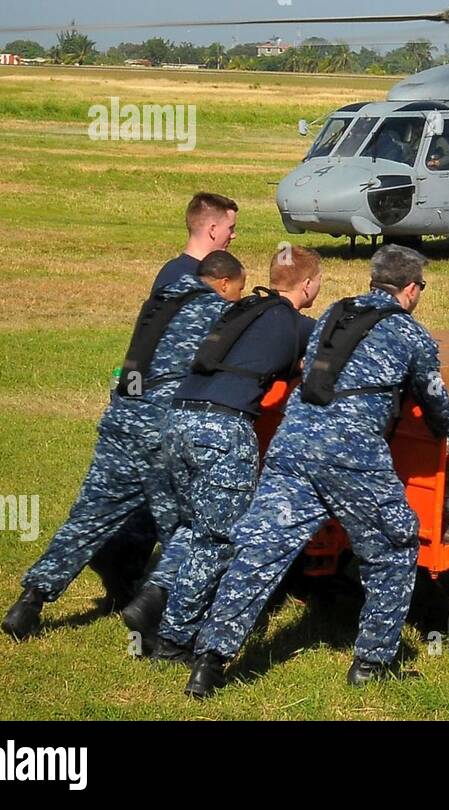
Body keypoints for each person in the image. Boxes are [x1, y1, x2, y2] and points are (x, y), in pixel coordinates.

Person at [183, 244, 449, 697]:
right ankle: (372, 662)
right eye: (420, 288)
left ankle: (208, 662)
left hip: (293, 445)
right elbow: (435, 403)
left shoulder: (333, 314)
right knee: (395, 543)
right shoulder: (412, 335)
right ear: (410, 289)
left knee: (260, 551)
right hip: (353, 456)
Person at [1, 251, 246, 641]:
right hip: (159, 427)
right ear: (223, 282)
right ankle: (155, 610)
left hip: (121, 417)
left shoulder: (160, 300)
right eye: (237, 289)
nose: (235, 297)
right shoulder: (213, 308)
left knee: (89, 518)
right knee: (185, 523)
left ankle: (30, 600)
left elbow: (136, 365)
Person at [151, 246, 321, 662]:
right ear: (308, 285)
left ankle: (151, 602)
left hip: (177, 421)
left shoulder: (243, 309)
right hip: (222, 429)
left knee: (193, 527)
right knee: (218, 540)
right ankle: (173, 641)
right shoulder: (297, 325)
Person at [153, 192, 239, 291]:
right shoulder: (202, 282)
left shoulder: (169, 271)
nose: (233, 235)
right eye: (230, 228)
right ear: (213, 230)